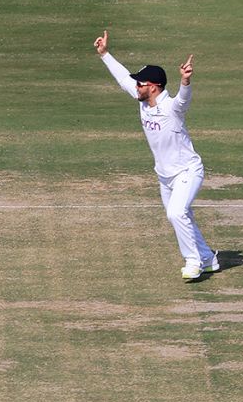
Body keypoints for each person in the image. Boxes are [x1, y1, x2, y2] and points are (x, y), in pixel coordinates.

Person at [93, 31, 217, 281]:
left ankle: (193, 262)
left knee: (176, 213)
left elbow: (184, 100)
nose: (136, 86)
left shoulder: (172, 107)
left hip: (187, 171)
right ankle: (208, 258)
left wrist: (185, 82)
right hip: (164, 176)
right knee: (183, 216)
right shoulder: (142, 101)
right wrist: (105, 54)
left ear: (154, 86)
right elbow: (122, 79)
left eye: (141, 83)